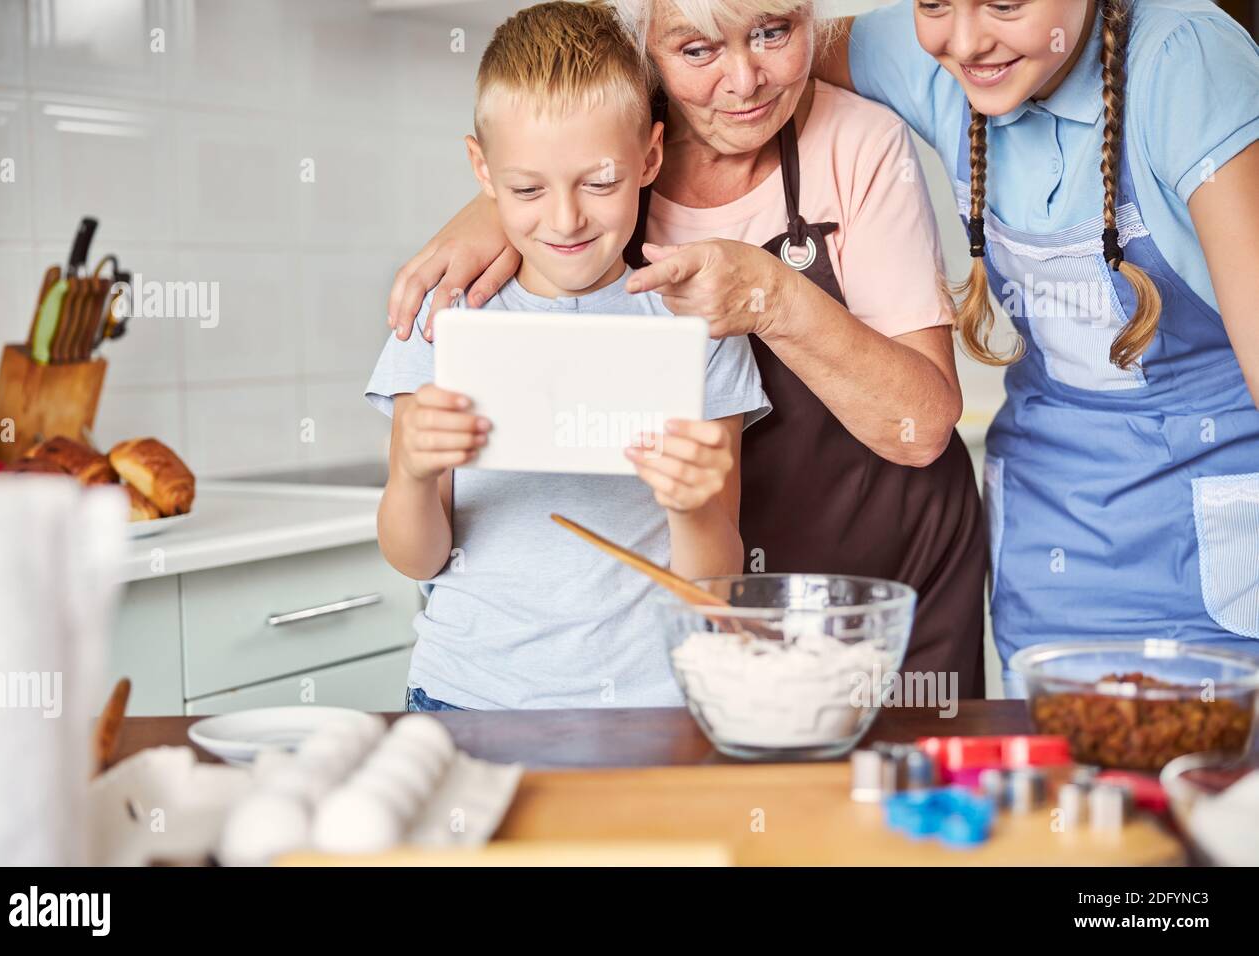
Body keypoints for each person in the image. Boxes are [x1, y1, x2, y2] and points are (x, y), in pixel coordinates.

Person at [387, 0, 990, 697]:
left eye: (773, 33)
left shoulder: (861, 144)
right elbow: (551, 173)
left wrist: (771, 296)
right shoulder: (604, 161)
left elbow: (918, 430)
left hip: (872, 590)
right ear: (645, 44)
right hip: (689, 627)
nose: (743, 81)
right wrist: (491, 209)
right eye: (697, 50)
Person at [815, 0, 1259, 690]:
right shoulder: (926, 53)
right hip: (1048, 554)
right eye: (932, 4)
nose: (964, 43)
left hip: (1218, 560)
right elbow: (756, 59)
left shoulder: (1186, 61)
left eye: (1005, 4)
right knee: (1058, 795)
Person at [365, 1, 770, 711]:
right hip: (466, 696)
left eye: (601, 182)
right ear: (481, 171)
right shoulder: (444, 325)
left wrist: (691, 503)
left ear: (649, 157)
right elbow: (415, 557)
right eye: (527, 189)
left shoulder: (697, 326)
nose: (565, 219)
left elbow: (712, 583)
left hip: (651, 704)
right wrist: (410, 472)